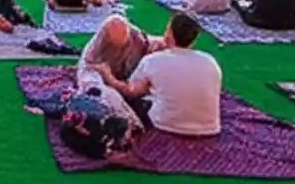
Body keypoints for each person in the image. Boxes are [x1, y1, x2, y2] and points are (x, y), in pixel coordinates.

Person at [93, 13, 222, 136]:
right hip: (210, 127)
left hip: (166, 124)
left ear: (169, 34)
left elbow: (130, 91)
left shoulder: (153, 61)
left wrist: (108, 76)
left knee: (129, 101)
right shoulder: (210, 61)